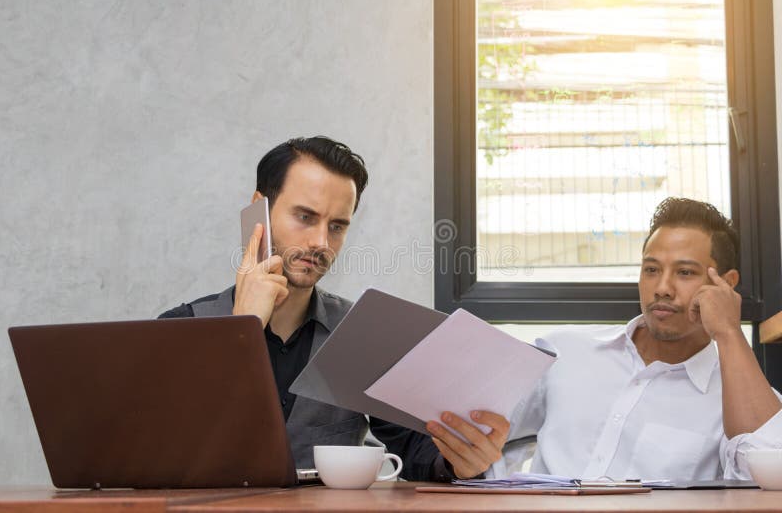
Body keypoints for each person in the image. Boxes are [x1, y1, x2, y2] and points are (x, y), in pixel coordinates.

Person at [159, 136, 509, 481]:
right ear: (259, 210)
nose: (321, 243)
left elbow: (418, 452)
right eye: (305, 217)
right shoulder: (180, 330)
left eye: (337, 226)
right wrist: (243, 330)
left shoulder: (360, 335)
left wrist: (461, 459)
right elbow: (164, 452)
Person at [488, 197, 782, 481]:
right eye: (651, 270)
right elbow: (471, 425)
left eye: (685, 272)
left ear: (726, 284)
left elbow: (770, 473)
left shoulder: (741, 401)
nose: (662, 288)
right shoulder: (562, 352)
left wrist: (729, 332)